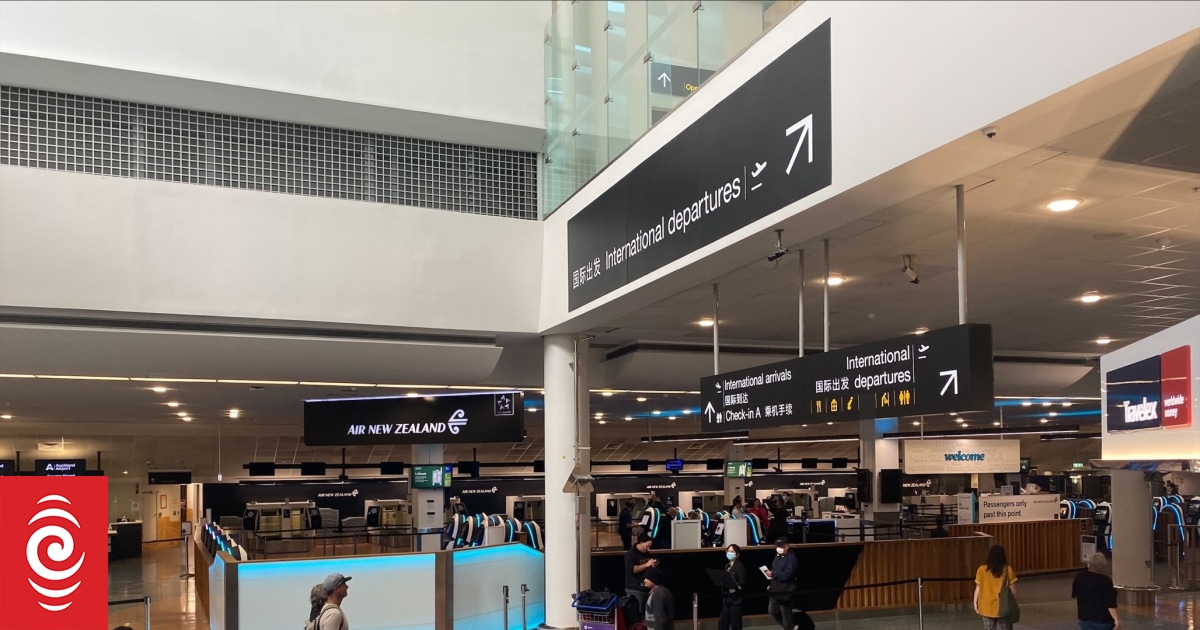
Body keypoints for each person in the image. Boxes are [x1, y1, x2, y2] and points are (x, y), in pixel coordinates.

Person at [974, 545, 1017, 630]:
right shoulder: (1008, 570)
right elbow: (1013, 590)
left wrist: (975, 602)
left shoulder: (982, 570)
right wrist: (1013, 603)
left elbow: (978, 588)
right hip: (1004, 607)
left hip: (986, 606)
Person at [1072, 553, 1120, 630]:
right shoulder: (1105, 581)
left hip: (1084, 618)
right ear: (1102, 566)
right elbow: (1110, 603)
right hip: (1102, 620)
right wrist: (1116, 619)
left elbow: (1075, 594)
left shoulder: (1080, 577)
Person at [764, 537, 798, 630]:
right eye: (777, 546)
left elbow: (788, 574)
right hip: (775, 589)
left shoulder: (791, 558)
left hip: (785, 590)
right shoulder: (777, 556)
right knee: (772, 610)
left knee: (786, 615)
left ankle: (789, 627)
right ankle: (791, 628)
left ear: (786, 546)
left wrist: (774, 574)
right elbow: (774, 569)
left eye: (780, 546)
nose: (778, 548)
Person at [625, 533, 658, 612]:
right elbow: (633, 570)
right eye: (647, 546)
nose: (648, 549)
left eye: (650, 547)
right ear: (641, 543)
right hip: (634, 588)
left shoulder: (647, 554)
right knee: (636, 612)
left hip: (646, 588)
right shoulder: (631, 554)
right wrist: (646, 564)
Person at [718, 544, 747, 630]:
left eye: (732, 552)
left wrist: (733, 586)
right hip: (726, 600)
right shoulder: (727, 566)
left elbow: (742, 582)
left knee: (735, 625)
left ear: (737, 554)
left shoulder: (739, 566)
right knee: (722, 623)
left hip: (735, 600)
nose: (729, 553)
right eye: (728, 551)